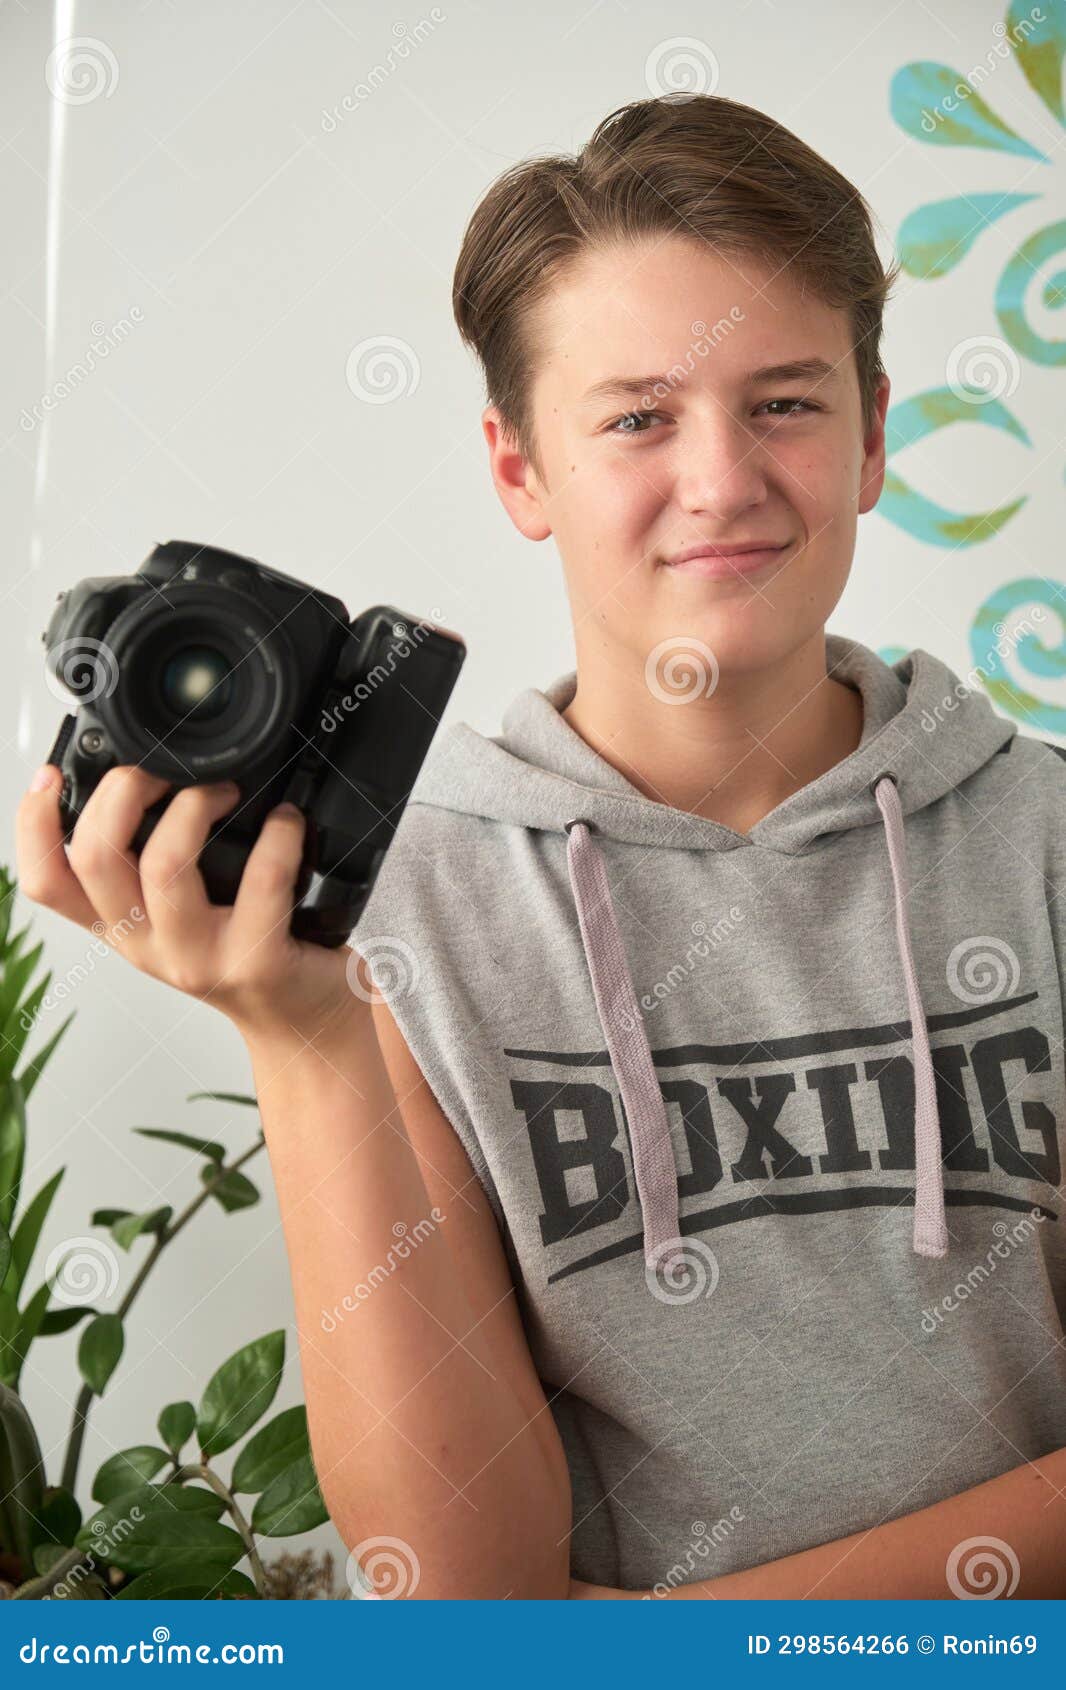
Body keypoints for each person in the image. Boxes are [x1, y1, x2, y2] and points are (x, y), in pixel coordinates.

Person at [15, 93, 1066, 1601]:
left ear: (873, 436)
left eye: (783, 401)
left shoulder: (1035, 839)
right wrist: (305, 1038)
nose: (719, 480)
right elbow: (459, 1592)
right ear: (519, 471)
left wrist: (669, 1648)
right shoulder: (390, 902)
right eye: (637, 417)